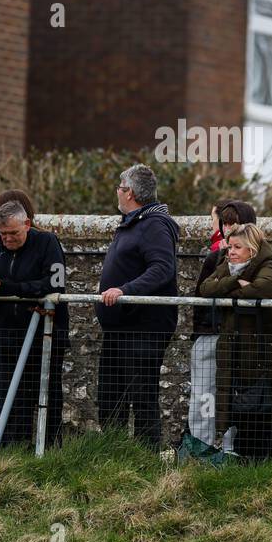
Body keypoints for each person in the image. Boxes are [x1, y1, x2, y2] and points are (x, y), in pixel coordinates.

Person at [0, 199, 70, 447]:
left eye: (13, 233)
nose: (7, 240)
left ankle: (50, 449)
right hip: (3, 332)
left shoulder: (47, 242)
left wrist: (15, 290)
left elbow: (55, 283)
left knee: (44, 395)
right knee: (0, 396)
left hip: (42, 333)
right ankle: (11, 451)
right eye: (3, 234)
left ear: (27, 224)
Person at [96, 164, 181, 449]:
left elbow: (162, 269)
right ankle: (111, 455)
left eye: (119, 189)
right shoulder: (134, 222)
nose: (117, 194)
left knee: (142, 396)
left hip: (143, 327)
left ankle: (145, 458)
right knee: (111, 395)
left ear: (129, 192)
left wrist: (124, 291)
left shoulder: (154, 224)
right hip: (119, 326)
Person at [196, 223, 272, 459]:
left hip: (262, 352)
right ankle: (244, 466)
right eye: (229, 246)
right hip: (235, 350)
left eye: (237, 247)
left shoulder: (267, 265)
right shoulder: (226, 267)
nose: (231, 251)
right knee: (240, 410)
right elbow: (206, 288)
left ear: (251, 249)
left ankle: (267, 465)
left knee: (265, 411)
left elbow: (264, 288)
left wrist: (228, 290)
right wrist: (235, 282)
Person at [189, 199, 256, 448]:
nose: (228, 229)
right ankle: (200, 447)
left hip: (239, 338)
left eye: (234, 223)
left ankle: (230, 451)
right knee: (204, 396)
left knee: (233, 397)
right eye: (225, 223)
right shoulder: (214, 258)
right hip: (210, 335)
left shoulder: (259, 262)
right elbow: (204, 293)